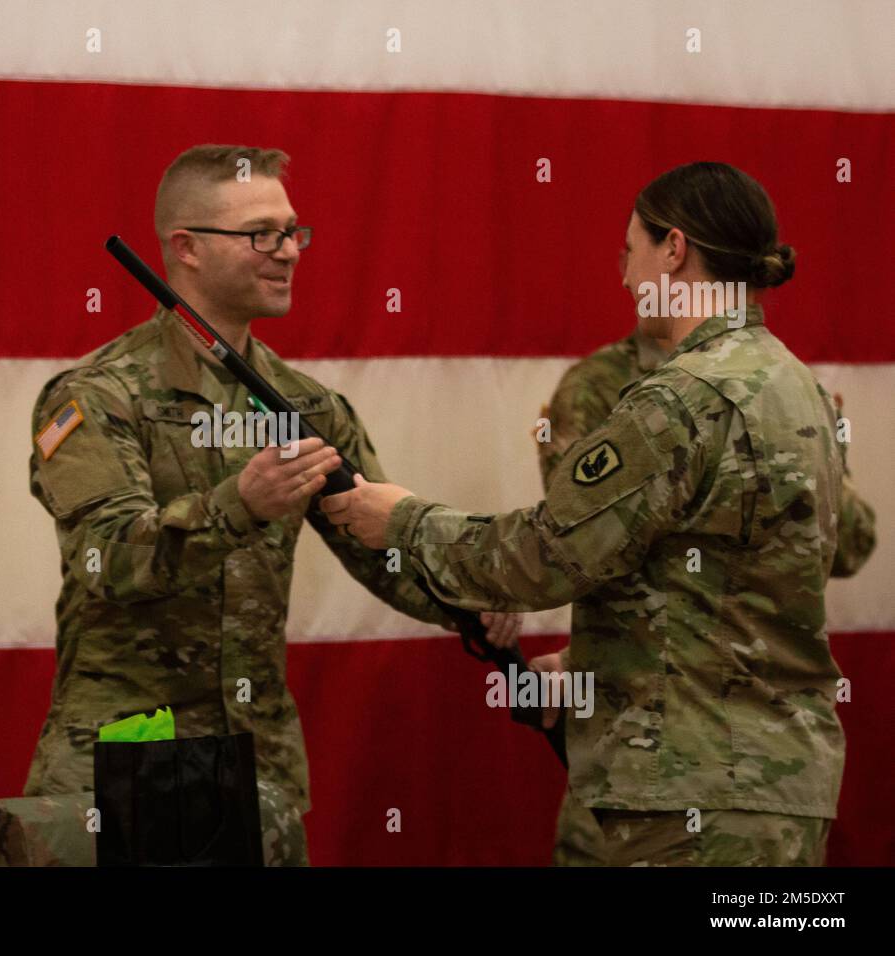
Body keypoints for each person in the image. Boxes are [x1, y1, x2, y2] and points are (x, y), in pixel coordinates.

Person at [323, 162, 850, 865]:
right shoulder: (798, 388)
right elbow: (738, 590)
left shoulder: (680, 399)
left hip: (689, 797)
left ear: (674, 249)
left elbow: (548, 556)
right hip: (778, 783)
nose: (627, 277)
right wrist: (589, 666)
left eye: (632, 251)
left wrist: (405, 521)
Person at [23, 144, 509, 866]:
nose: (287, 252)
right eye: (262, 234)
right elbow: (108, 558)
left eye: (292, 232)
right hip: (127, 760)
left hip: (255, 772)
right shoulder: (96, 395)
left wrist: (472, 593)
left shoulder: (306, 406)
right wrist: (238, 505)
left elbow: (381, 548)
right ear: (184, 249)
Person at [535, 324, 876, 866]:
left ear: (674, 252)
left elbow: (852, 545)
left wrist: (831, 455)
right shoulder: (600, 386)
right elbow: (584, 541)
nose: (627, 275)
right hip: (645, 735)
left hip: (765, 752)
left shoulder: (773, 387)